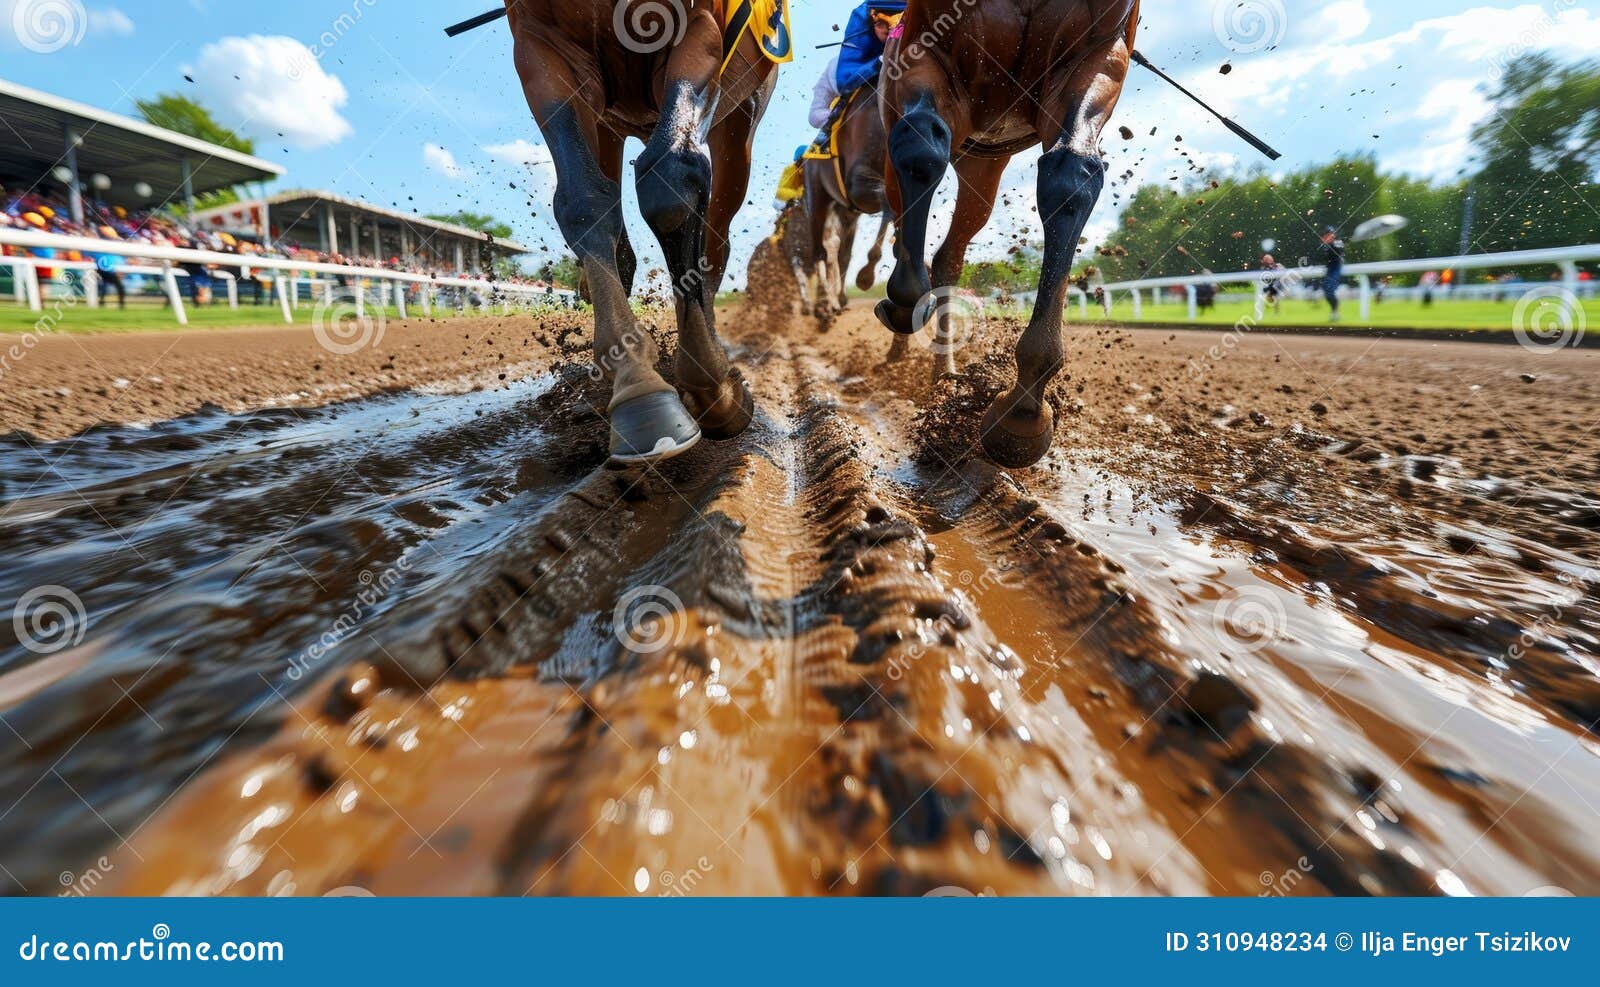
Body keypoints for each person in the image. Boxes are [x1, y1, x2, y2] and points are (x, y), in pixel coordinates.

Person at [810, 2, 905, 143]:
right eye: (880, 23)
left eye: (896, 21)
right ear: (869, 24)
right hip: (851, 145)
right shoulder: (835, 68)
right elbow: (815, 114)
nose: (888, 29)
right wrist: (843, 121)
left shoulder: (916, 65)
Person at [1319, 226, 1344, 322]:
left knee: (1329, 290)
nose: (1330, 236)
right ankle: (1334, 311)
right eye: (1327, 235)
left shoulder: (1337, 243)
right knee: (1327, 292)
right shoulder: (1324, 245)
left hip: (1336, 268)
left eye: (1331, 234)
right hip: (1329, 269)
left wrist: (1328, 244)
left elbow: (1336, 250)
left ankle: (1335, 312)